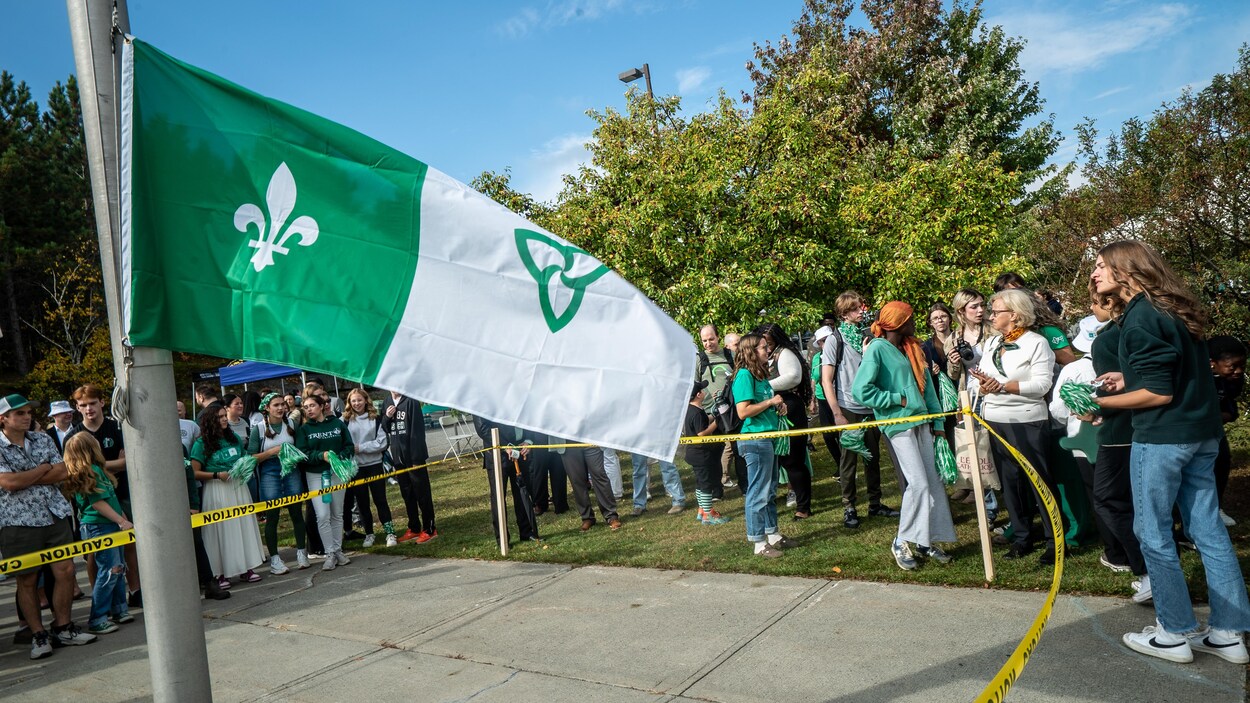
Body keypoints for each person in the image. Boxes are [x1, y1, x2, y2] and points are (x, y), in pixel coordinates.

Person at [1091, 241, 1250, 665]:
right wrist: (1126, 379)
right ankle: (1228, 634)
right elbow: (1174, 372)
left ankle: (1173, 633)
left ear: (1127, 269)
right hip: (1203, 436)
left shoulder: (1141, 317)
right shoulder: (1169, 308)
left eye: (1102, 266)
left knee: (1154, 534)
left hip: (1164, 439)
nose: (1094, 274)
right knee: (1208, 531)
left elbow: (1159, 393)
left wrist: (1098, 404)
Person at [852, 302, 956, 570]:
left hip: (922, 422)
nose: (915, 323)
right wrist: (896, 399)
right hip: (898, 425)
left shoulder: (912, 348)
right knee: (918, 484)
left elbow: (928, 389)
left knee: (933, 484)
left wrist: (939, 423)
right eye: (910, 319)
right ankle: (902, 540)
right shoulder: (877, 348)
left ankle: (926, 541)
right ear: (898, 322)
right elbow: (861, 390)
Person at [0, 394, 98, 658]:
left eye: (28, 412)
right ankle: (38, 634)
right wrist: (42, 469)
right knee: (28, 579)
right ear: (3, 419)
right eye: (19, 413)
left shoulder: (42, 439)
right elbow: (9, 484)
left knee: (66, 571)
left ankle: (63, 626)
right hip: (18, 522)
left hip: (54, 514)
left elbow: (63, 472)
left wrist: (26, 476)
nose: (27, 416)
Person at [970, 288, 1060, 565]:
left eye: (996, 311)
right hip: (996, 419)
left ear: (1015, 315)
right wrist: (983, 386)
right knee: (1011, 483)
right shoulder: (993, 343)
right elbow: (977, 379)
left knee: (1039, 481)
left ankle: (1053, 539)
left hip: (1028, 421)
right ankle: (1022, 536)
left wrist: (1004, 386)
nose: (990, 315)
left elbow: (1042, 385)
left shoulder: (1037, 343)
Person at [1049, 308, 1127, 573]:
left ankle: (1115, 553)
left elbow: (1057, 410)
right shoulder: (1125, 367)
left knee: (1099, 497)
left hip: (1083, 445)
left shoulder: (1073, 369)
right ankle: (1132, 549)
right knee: (1124, 495)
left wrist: (1075, 411)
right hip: (1121, 439)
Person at [821, 291, 899, 529]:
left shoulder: (869, 335)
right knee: (849, 460)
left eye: (861, 308)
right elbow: (826, 379)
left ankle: (875, 503)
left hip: (871, 405)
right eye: (855, 309)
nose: (861, 312)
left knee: (872, 457)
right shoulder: (836, 339)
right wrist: (837, 413)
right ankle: (849, 507)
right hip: (848, 406)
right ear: (844, 314)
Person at [66, 384, 141, 608]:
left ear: (101, 402)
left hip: (123, 493)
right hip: (91, 501)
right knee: (94, 553)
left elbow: (129, 461)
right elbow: (76, 469)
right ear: (77, 408)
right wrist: (113, 465)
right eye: (83, 405)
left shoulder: (117, 427)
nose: (88, 409)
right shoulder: (74, 435)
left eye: (92, 403)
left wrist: (97, 467)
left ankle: (135, 591)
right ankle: (102, 601)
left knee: (129, 543)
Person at [732, 333, 797, 558]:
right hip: (754, 441)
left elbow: (760, 407)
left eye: (766, 346)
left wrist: (777, 408)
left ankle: (773, 534)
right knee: (757, 492)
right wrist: (770, 401)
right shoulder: (743, 376)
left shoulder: (760, 376)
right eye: (762, 347)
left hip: (768, 439)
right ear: (750, 351)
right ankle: (758, 543)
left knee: (769, 490)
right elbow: (743, 412)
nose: (767, 350)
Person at [61, 432, 133, 634]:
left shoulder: (95, 470)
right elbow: (98, 503)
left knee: (118, 569)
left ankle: (119, 608)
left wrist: (120, 518)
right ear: (90, 449)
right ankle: (98, 618)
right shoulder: (90, 471)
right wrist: (121, 520)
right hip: (100, 526)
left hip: (107, 525)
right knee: (110, 571)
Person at [191, 404, 265, 587]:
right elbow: (194, 472)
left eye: (224, 416)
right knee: (221, 530)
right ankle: (220, 572)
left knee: (242, 526)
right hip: (216, 490)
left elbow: (244, 459)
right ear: (210, 421)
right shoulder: (201, 444)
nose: (224, 419)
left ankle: (246, 567)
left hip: (238, 488)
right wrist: (216, 475)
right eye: (219, 417)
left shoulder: (234, 439)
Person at [247, 392, 309, 573]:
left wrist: (292, 453)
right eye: (276, 405)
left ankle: (301, 553)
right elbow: (251, 457)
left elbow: (302, 447)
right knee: (272, 516)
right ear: (267, 408)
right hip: (270, 471)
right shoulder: (258, 429)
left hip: (291, 469)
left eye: (282, 404)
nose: (281, 408)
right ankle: (275, 559)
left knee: (296, 512)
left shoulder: (291, 424)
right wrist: (271, 452)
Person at [760, 322, 814, 521]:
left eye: (767, 339)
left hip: (789, 410)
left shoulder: (784, 353)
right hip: (774, 407)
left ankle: (803, 506)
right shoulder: (769, 355)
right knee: (783, 460)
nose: (764, 342)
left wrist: (763, 387)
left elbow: (793, 377)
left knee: (793, 460)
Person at [295, 394, 355, 571]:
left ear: (322, 406)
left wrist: (340, 457)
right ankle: (329, 553)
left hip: (337, 473)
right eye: (306, 407)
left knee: (337, 513)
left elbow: (349, 445)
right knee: (322, 515)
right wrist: (322, 456)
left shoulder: (337, 424)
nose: (309, 409)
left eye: (312, 405)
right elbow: (303, 454)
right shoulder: (304, 430)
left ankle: (337, 551)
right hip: (315, 475)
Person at [380, 391, 438, 543]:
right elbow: (385, 428)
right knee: (407, 494)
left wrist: (416, 458)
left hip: (413, 457)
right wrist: (387, 416)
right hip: (398, 458)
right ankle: (414, 527)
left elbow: (417, 432)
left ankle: (429, 528)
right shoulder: (387, 401)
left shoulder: (411, 401)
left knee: (422, 494)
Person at [342, 388, 397, 547]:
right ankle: (369, 533)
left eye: (359, 400)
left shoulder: (376, 419)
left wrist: (360, 447)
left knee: (380, 500)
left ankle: (390, 532)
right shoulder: (344, 420)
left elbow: (382, 443)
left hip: (374, 465)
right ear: (349, 403)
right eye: (353, 401)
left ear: (366, 400)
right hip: (356, 468)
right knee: (362, 503)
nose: (357, 403)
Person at [473, 416, 539, 544]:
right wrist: (504, 445)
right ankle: (502, 539)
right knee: (498, 498)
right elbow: (482, 428)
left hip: (520, 452)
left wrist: (528, 441)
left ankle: (527, 532)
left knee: (522, 494)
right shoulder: (482, 398)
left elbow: (528, 416)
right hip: (498, 457)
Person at [1209, 336, 1245, 527]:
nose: (1238, 371)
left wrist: (1227, 414)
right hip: (1192, 433)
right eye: (1232, 366)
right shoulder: (1200, 380)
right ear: (1212, 364)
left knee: (1221, 462)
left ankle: (1216, 507)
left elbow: (1230, 408)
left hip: (1214, 431)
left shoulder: (1231, 380)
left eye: (1242, 366)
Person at [698, 324, 738, 493]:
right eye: (704, 340)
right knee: (713, 456)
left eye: (711, 339)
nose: (708, 343)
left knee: (738, 451)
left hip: (733, 413)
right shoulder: (698, 360)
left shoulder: (732, 355)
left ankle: (745, 485)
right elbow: (693, 388)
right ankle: (716, 490)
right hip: (710, 415)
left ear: (718, 337)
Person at [684, 380, 729, 525]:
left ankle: (701, 510)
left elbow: (702, 421)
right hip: (701, 454)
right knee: (705, 485)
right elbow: (701, 434)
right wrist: (717, 422)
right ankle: (708, 515)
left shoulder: (692, 409)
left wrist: (713, 416)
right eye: (702, 390)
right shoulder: (696, 413)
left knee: (699, 483)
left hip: (694, 453)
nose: (704, 391)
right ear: (698, 394)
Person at [561, 442, 622, 532]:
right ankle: (587, 518)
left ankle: (611, 516)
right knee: (576, 480)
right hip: (567, 442)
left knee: (599, 475)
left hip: (589, 439)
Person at [809, 325, 841, 464]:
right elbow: (813, 378)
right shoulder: (816, 358)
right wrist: (812, 399)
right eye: (822, 341)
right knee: (827, 436)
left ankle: (846, 464)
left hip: (838, 398)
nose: (825, 344)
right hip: (822, 399)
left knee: (840, 433)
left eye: (827, 340)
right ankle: (839, 463)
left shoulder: (839, 354)